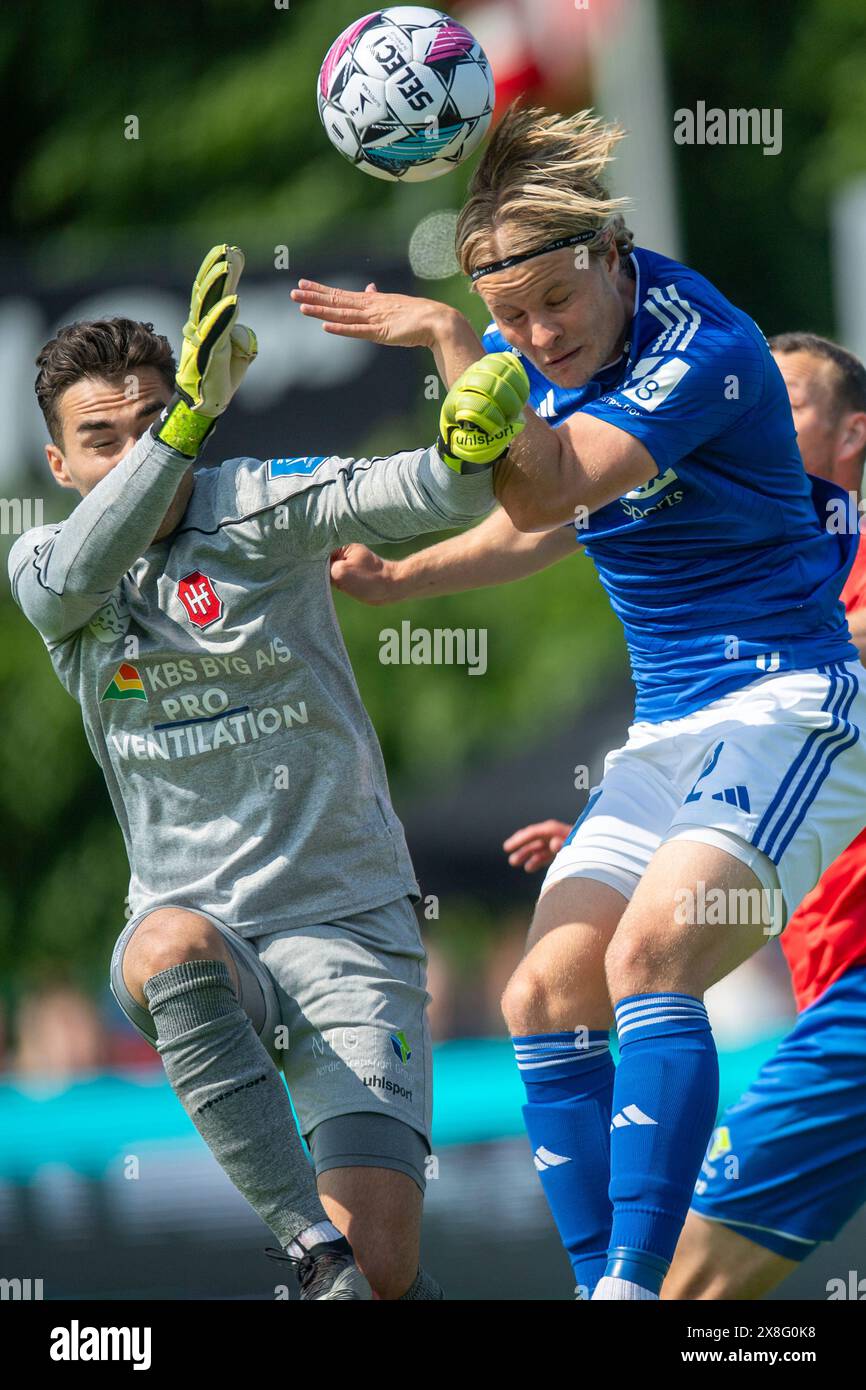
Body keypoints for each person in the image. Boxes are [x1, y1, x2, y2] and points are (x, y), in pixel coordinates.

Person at [291, 105, 866, 1300]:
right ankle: (604, 1279)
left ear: (611, 255)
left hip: (786, 707)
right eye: (509, 314)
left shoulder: (699, 344)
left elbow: (547, 485)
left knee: (649, 954)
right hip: (665, 731)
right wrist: (404, 579)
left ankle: (625, 1298)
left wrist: (455, 340)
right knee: (540, 990)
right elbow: (536, 526)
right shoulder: (559, 354)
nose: (534, 334)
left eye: (553, 299)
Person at [8, 244, 526, 1300]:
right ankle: (307, 1242)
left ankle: (344, 1265)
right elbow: (75, 569)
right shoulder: (44, 566)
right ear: (57, 466)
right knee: (168, 943)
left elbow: (432, 492)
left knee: (381, 1279)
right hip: (203, 935)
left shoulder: (257, 501)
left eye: (155, 422)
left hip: (348, 926)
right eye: (98, 440)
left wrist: (462, 407)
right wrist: (189, 422)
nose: (132, 453)